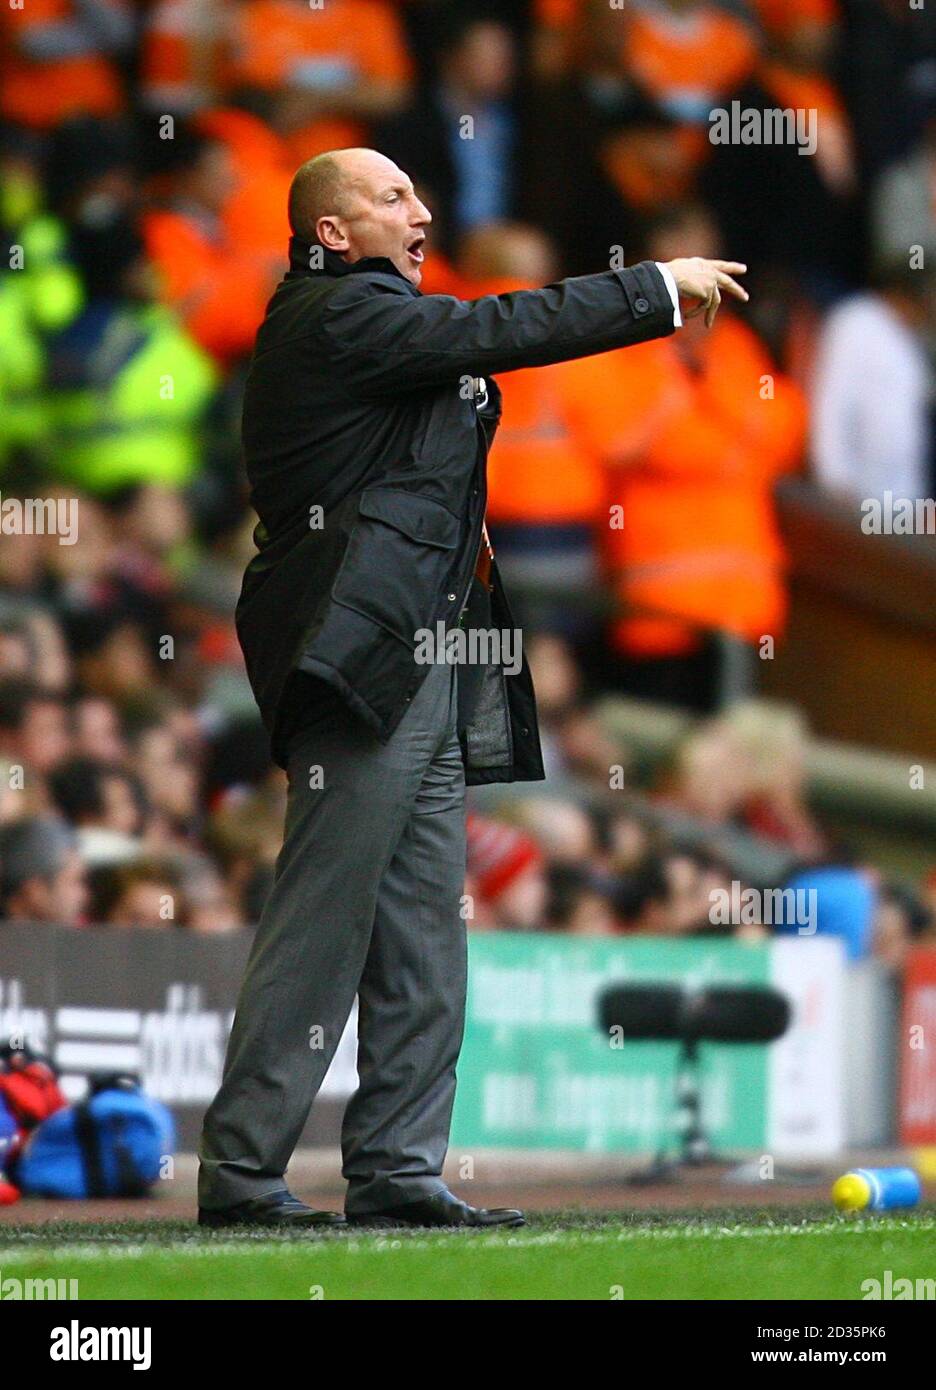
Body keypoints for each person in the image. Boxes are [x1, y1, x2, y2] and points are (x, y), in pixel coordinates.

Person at [197, 145, 747, 1231]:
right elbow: (497, 328)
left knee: (423, 927)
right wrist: (651, 287)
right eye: (391, 196)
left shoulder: (377, 329)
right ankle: (244, 1171)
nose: (422, 209)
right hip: (363, 653)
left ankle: (399, 1166)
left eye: (417, 191)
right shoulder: (335, 316)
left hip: (426, 654)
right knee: (325, 916)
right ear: (330, 233)